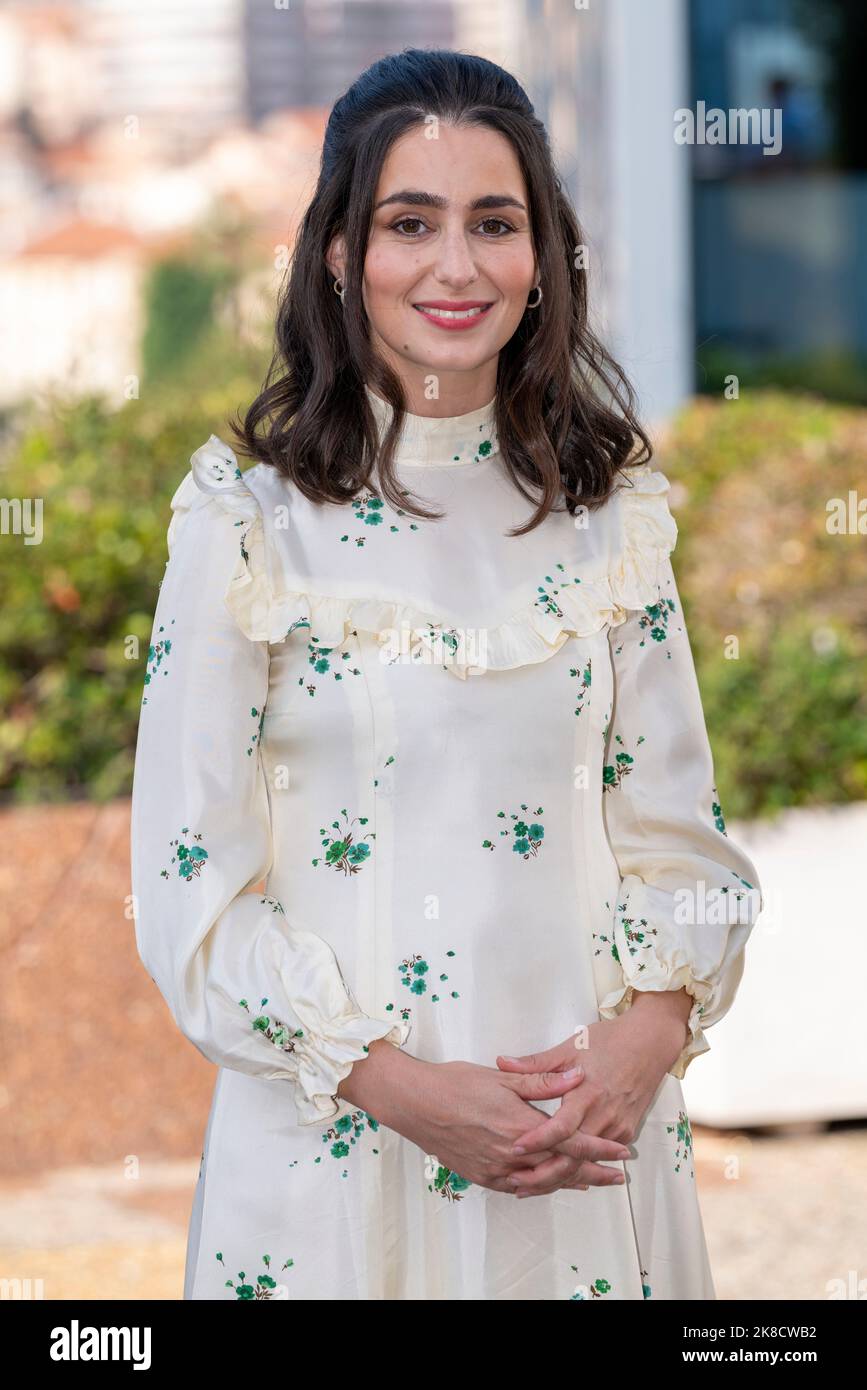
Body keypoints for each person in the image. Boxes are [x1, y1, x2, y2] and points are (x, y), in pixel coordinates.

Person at [130, 48, 762, 1301]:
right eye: (409, 223)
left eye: (496, 222)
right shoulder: (247, 528)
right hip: (333, 1163)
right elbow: (191, 901)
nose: (457, 266)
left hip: (585, 1161)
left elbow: (688, 854)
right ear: (336, 254)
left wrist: (637, 1053)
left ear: (545, 257)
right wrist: (412, 1094)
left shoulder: (612, 520)